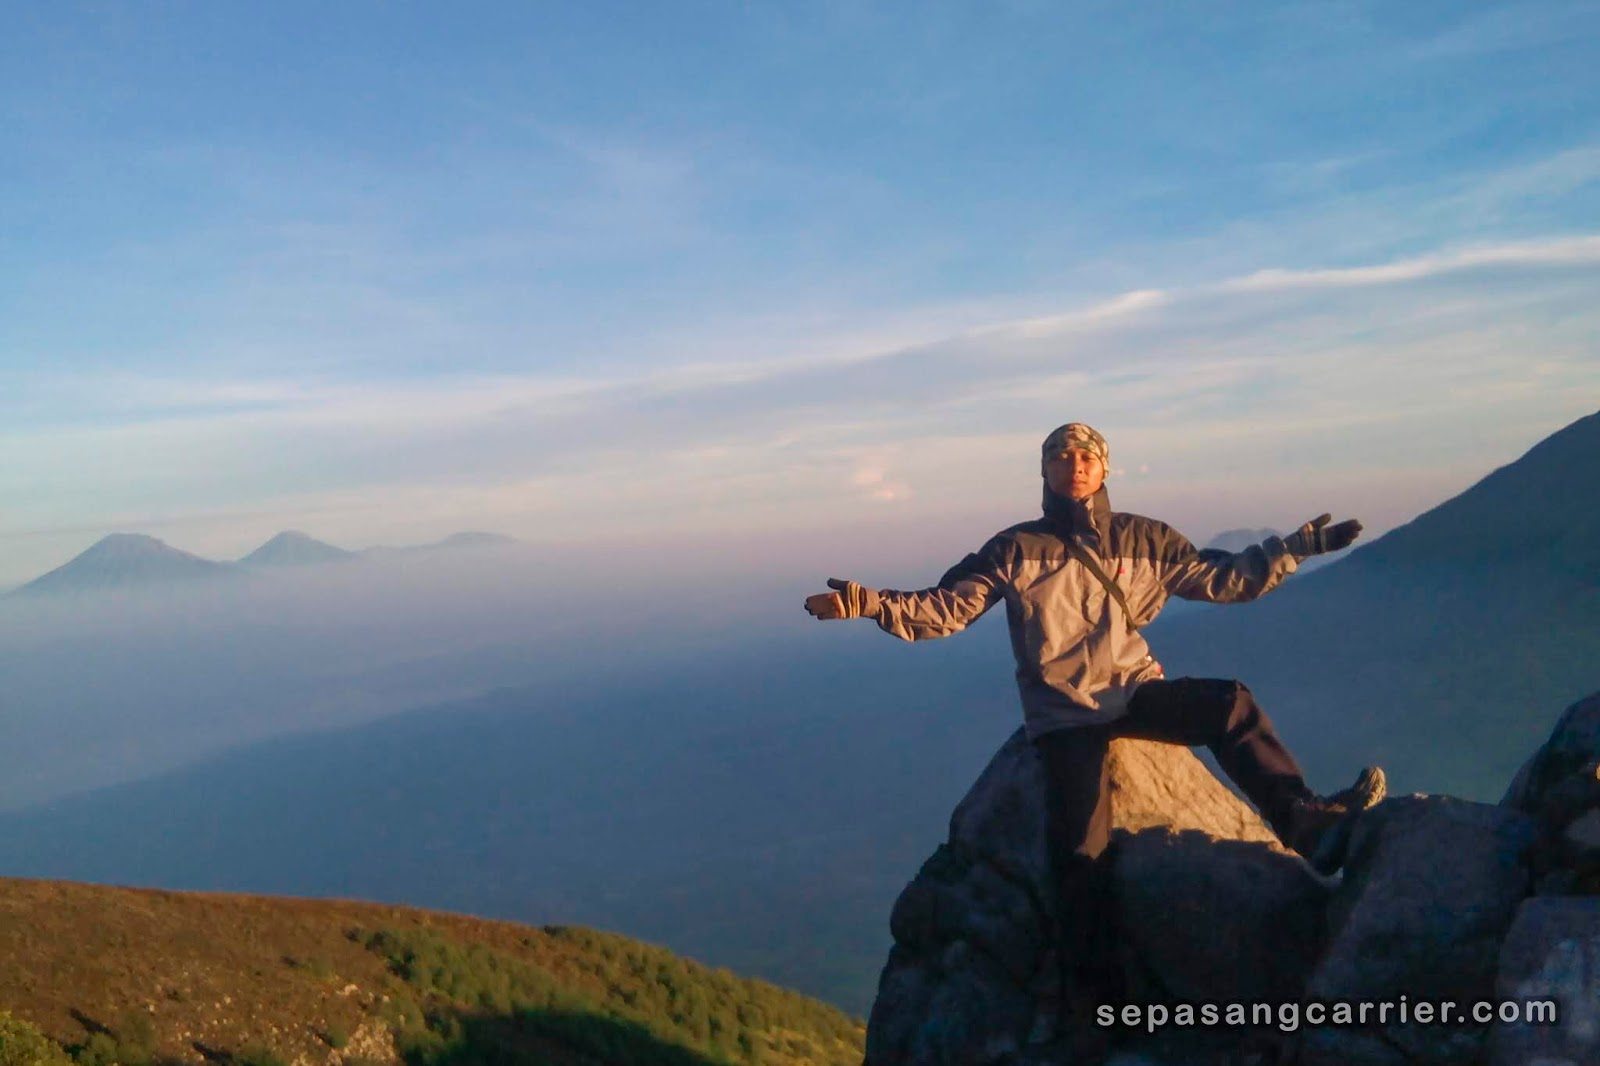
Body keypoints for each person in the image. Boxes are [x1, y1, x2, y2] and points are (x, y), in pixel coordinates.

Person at [803, 421, 1385, 1013]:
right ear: (1045, 472)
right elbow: (946, 608)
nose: (1074, 464)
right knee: (1081, 857)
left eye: (1086, 456)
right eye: (1060, 455)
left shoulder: (1144, 539)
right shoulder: (1015, 548)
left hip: (1134, 691)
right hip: (1066, 715)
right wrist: (870, 604)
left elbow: (1220, 578)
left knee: (1228, 704)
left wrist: (1291, 550)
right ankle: (1099, 1001)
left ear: (1104, 469)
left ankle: (1309, 824)